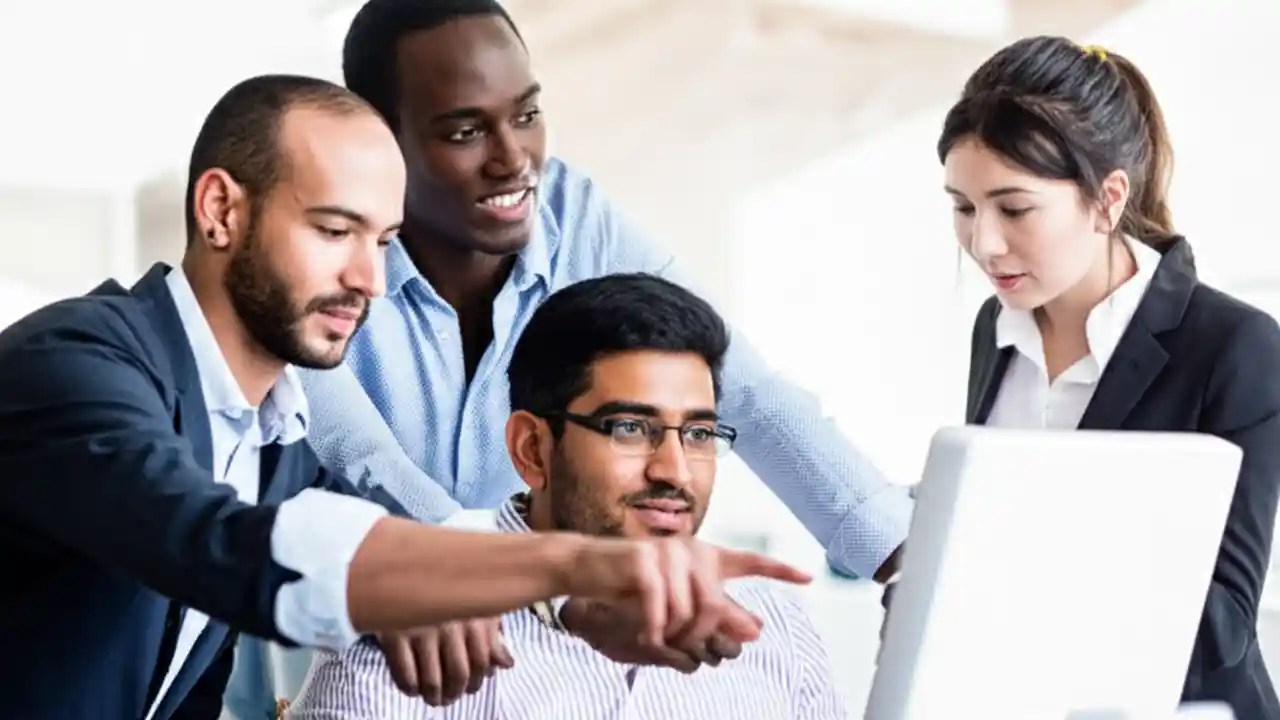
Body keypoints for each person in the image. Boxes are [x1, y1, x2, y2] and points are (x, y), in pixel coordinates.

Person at [0, 74, 807, 720]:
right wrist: (580, 564)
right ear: (221, 211)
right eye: (333, 231)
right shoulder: (71, 368)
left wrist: (572, 610)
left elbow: (376, 547)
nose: (370, 280)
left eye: (383, 241)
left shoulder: (276, 446)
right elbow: (215, 544)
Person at [218, 0, 911, 709]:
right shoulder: (315, 250)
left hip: (538, 620)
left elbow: (744, 390)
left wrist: (905, 558)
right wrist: (455, 571)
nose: (513, 160)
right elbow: (359, 454)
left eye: (526, 115)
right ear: (379, 142)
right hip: (357, 624)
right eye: (465, 131)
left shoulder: (573, 216)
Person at [284, 273, 847, 719]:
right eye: (630, 428)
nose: (675, 470)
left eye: (698, 434)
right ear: (532, 448)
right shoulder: (418, 626)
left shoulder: (773, 622)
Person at [941, 35, 1280, 718]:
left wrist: (1011, 557)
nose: (984, 243)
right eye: (964, 207)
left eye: (1014, 208)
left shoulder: (1234, 346)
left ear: (1108, 198)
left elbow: (1219, 629)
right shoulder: (996, 327)